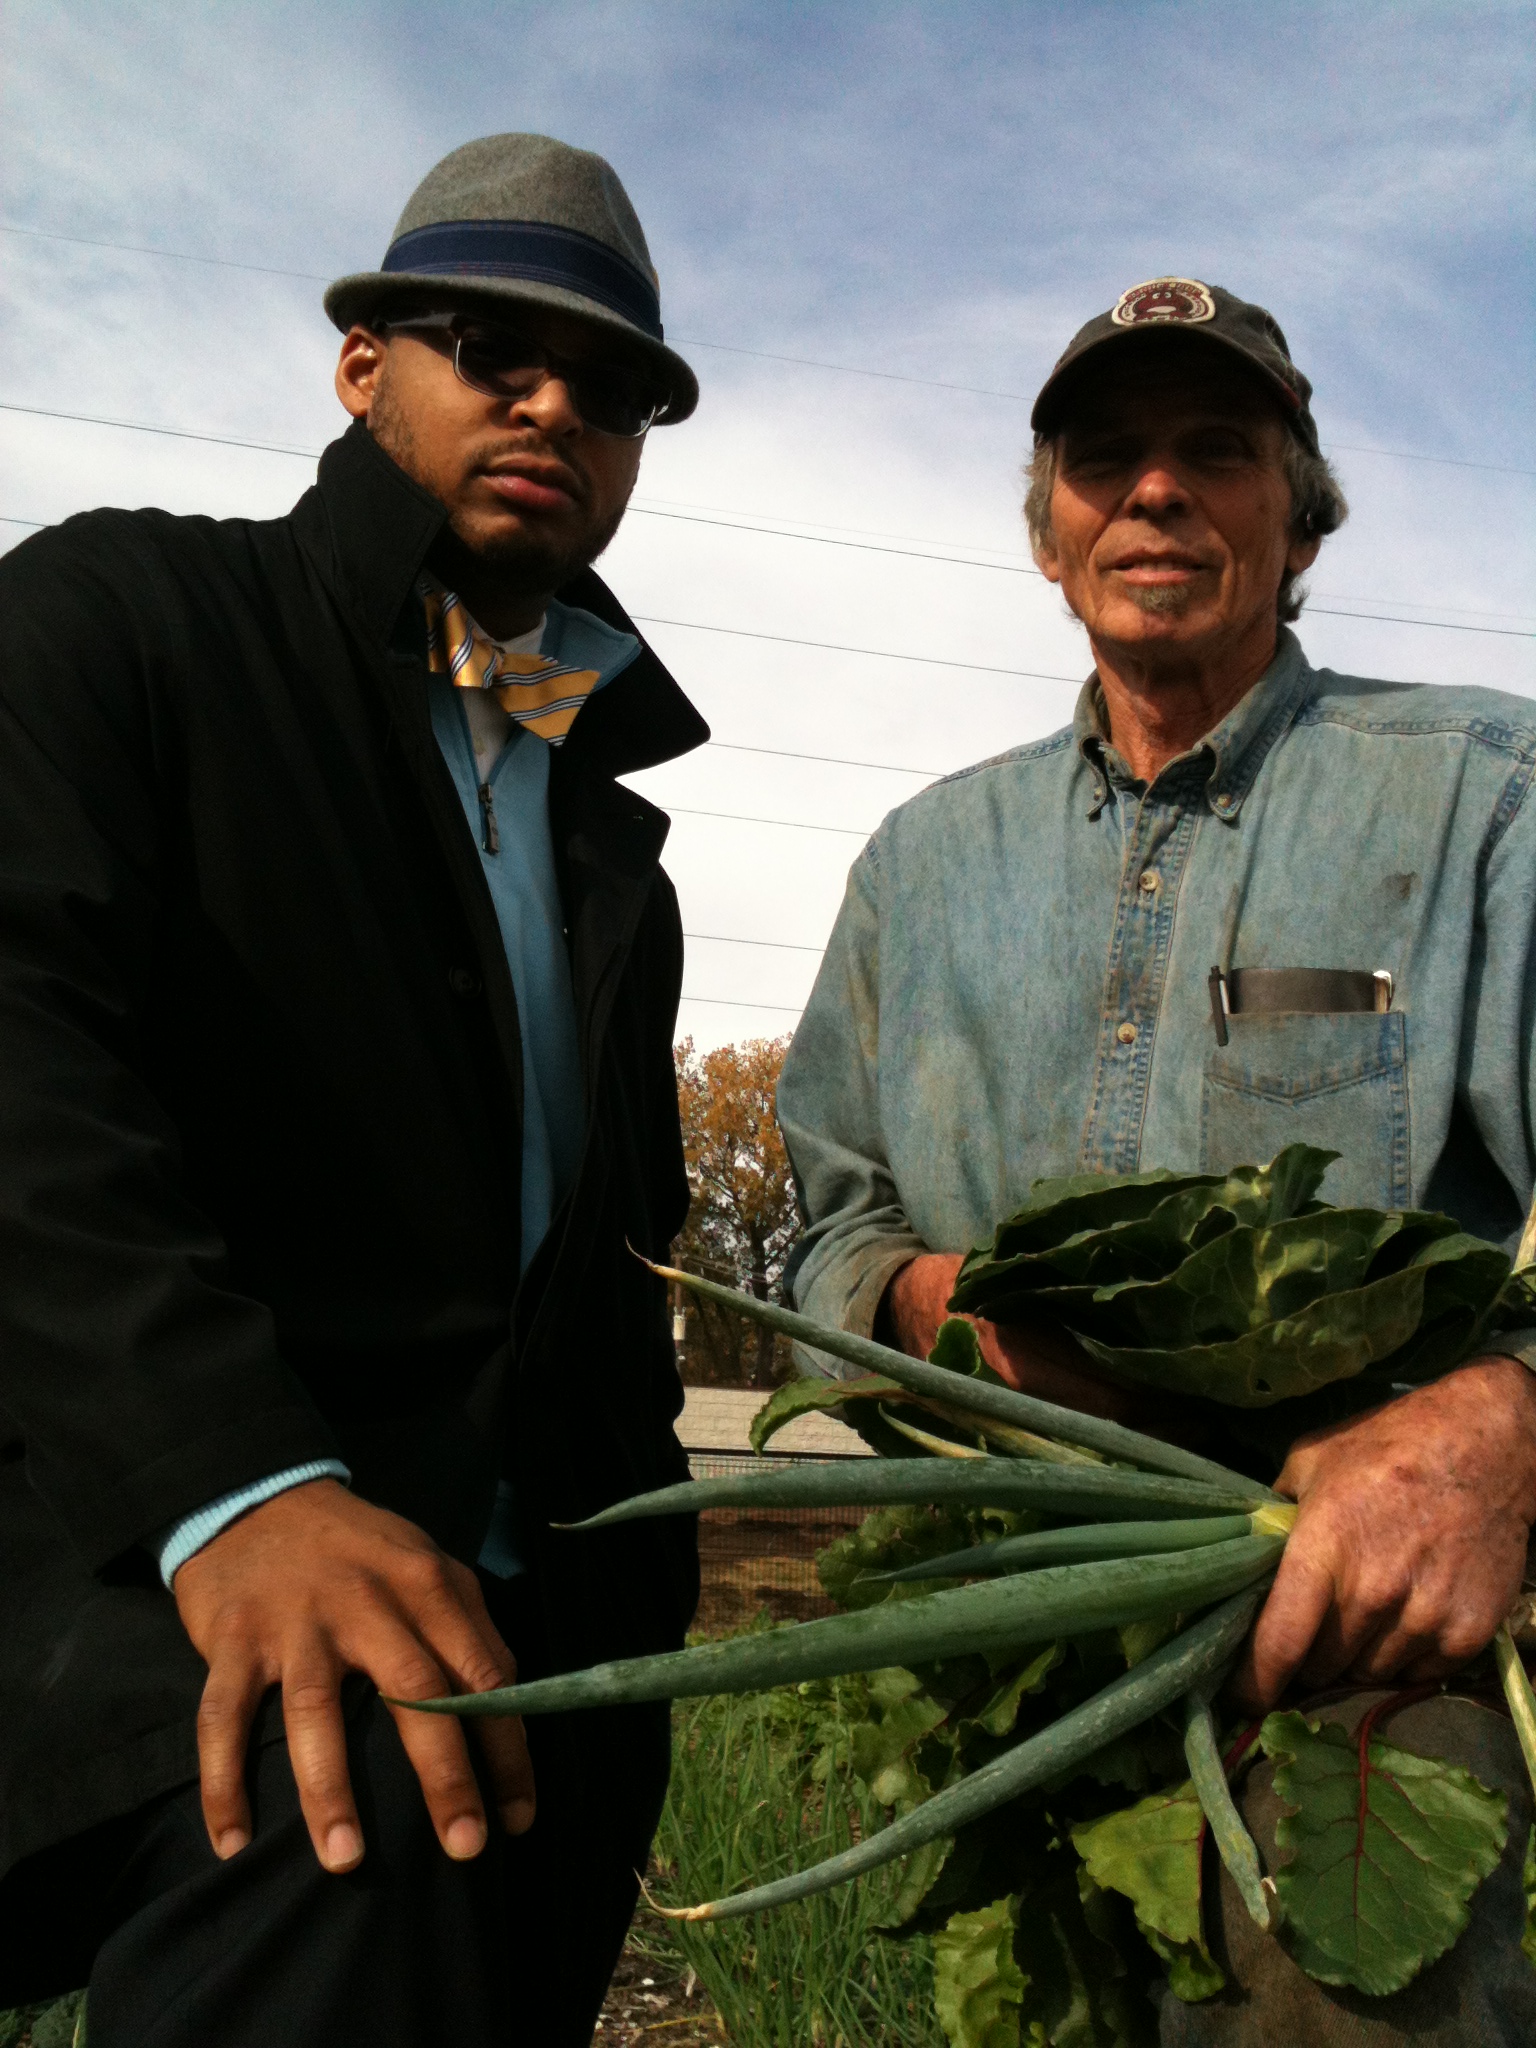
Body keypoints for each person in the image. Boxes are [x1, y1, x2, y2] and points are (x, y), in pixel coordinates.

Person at [0, 133, 707, 2046]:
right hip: (149, 1576)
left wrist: (629, 1623)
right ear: (361, 365)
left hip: (539, 1665)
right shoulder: (122, 626)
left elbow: (616, 1265)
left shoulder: (609, 836)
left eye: (618, 384)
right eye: (493, 340)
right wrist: (230, 1484)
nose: (555, 400)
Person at [777, 277, 1536, 2039]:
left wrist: (1501, 1420)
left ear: (1301, 513)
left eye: (1218, 450)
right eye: (1104, 457)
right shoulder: (922, 865)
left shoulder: (1478, 794)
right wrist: (926, 1305)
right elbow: (830, 1214)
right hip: (1019, 1630)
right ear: (1047, 532)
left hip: (1352, 1631)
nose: (1157, 492)